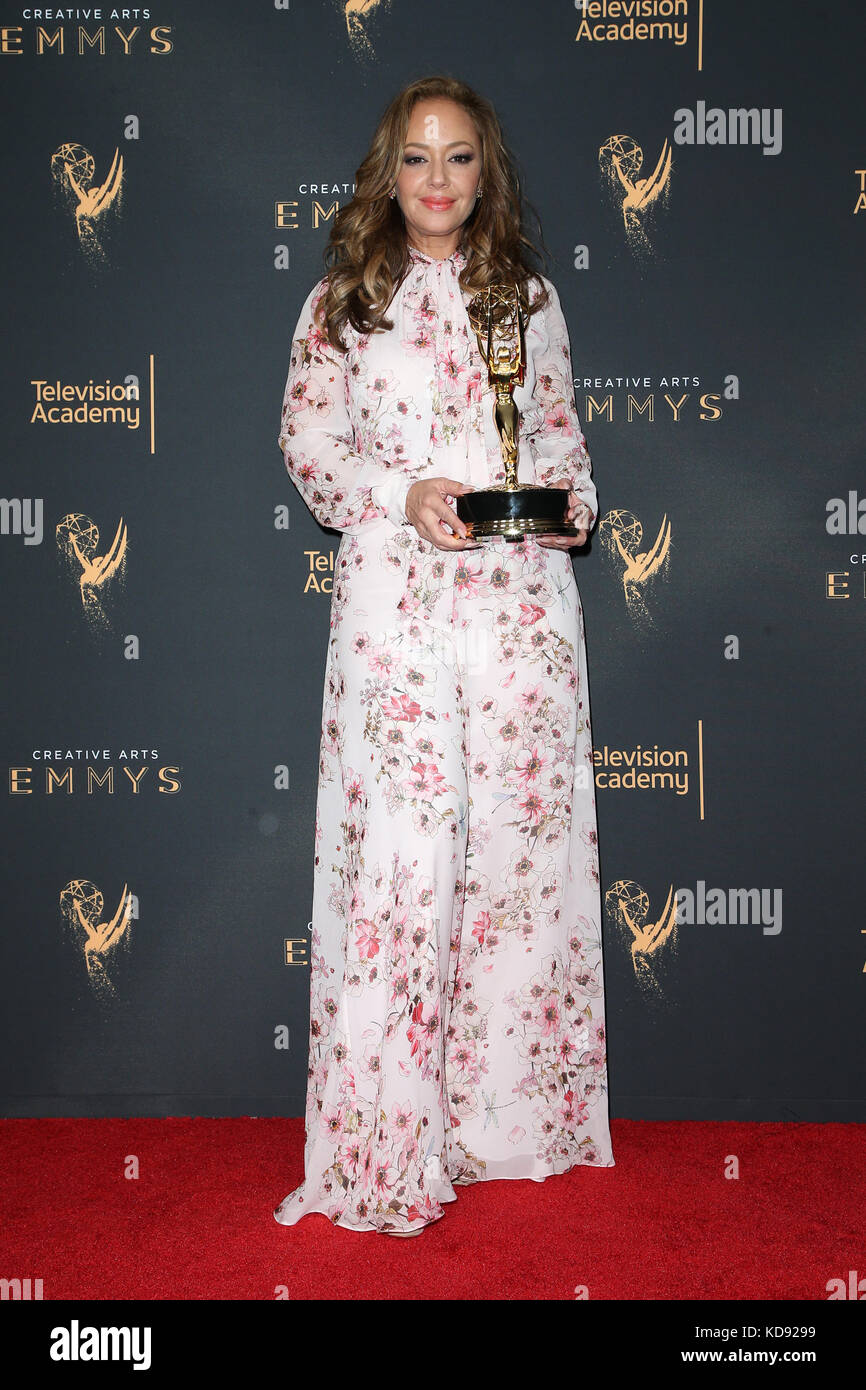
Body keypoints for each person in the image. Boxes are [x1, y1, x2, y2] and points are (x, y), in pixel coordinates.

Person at [273, 75, 614, 1238]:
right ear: (386, 171)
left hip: (518, 606)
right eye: (415, 158)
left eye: (457, 158)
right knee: (402, 865)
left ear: (485, 172)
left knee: (516, 858)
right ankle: (387, 1139)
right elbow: (308, 445)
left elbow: (559, 434)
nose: (435, 180)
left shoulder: (526, 294)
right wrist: (397, 491)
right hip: (395, 604)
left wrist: (569, 505)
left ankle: (502, 1122)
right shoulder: (341, 302)